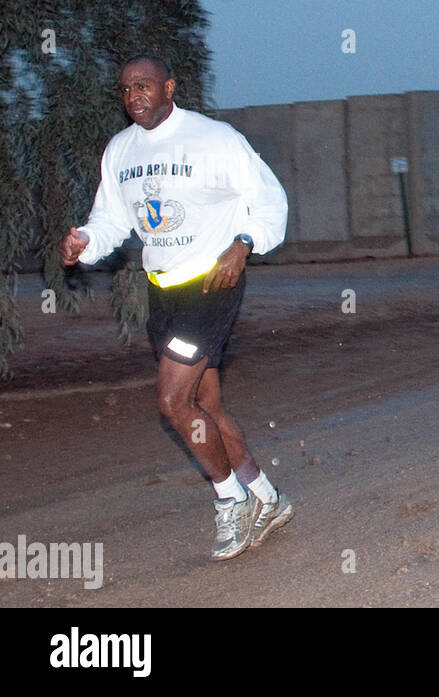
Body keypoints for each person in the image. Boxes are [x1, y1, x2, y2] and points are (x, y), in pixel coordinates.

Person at [59, 54, 292, 560]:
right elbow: (112, 219)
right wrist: (85, 243)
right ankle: (267, 498)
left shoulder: (216, 139)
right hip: (162, 291)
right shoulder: (120, 150)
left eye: (143, 85)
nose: (133, 95)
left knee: (172, 401)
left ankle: (230, 500)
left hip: (212, 284)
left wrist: (243, 243)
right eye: (125, 89)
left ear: (169, 87)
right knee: (205, 404)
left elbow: (270, 202)